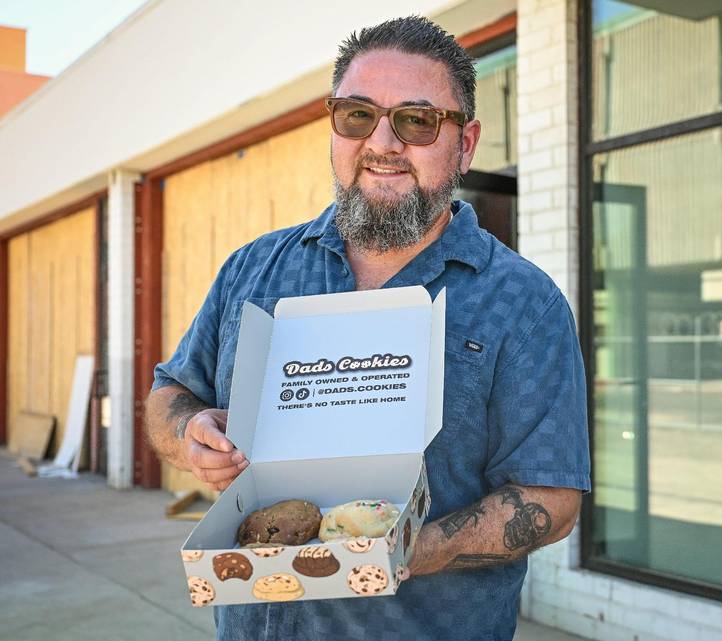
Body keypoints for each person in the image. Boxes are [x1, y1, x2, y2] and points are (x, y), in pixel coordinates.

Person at [144, 15, 590, 641]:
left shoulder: (522, 301)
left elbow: (552, 499)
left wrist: (409, 547)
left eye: (416, 120)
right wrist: (191, 434)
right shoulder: (253, 270)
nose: (382, 142)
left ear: (464, 143)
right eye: (357, 114)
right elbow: (170, 392)